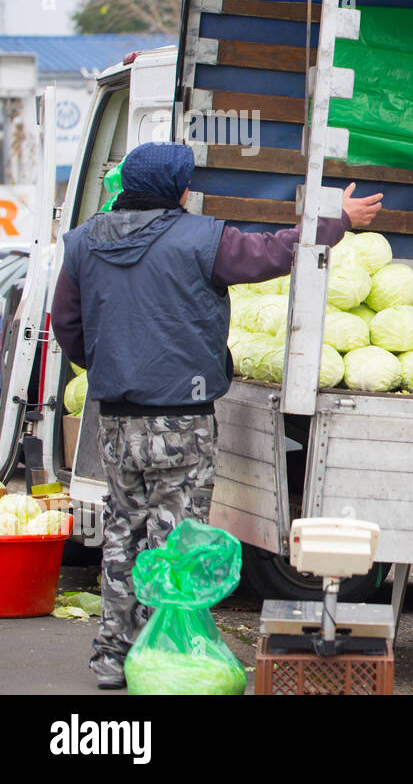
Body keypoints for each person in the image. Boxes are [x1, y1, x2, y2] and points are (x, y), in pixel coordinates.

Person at [50, 141, 382, 690]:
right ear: (178, 190)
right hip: (182, 418)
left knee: (122, 532)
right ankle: (167, 655)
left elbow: (67, 323)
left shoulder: (84, 241)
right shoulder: (202, 239)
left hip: (116, 419)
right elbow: (277, 251)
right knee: (177, 538)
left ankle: (113, 654)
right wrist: (335, 220)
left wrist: (107, 361)